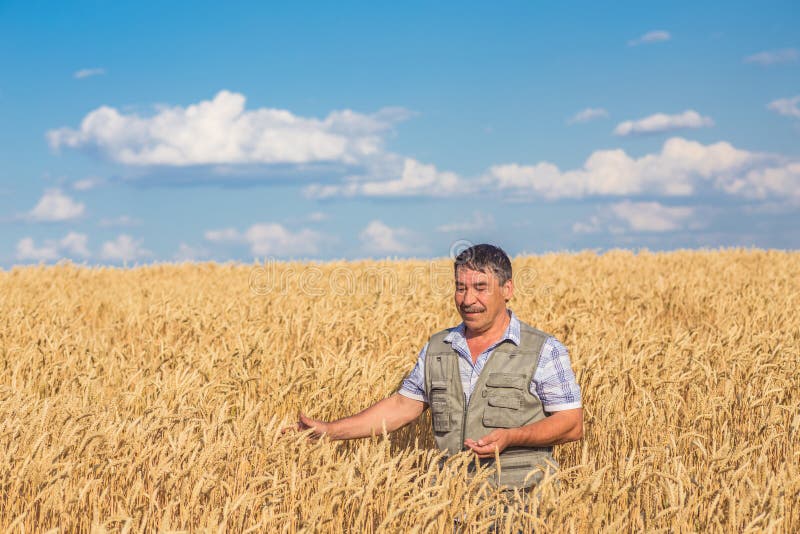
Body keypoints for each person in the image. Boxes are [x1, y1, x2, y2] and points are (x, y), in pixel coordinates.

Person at [291, 243, 583, 491]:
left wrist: (512, 437)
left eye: (480, 288)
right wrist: (329, 431)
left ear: (507, 289)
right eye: (460, 288)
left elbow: (571, 424)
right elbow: (402, 406)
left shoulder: (543, 349)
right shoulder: (439, 348)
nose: (468, 300)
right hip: (452, 504)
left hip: (522, 503)